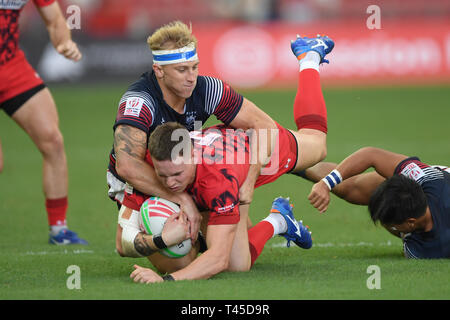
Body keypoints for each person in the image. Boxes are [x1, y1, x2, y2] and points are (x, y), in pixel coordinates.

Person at [130, 34, 335, 283]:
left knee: (316, 142)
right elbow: (123, 242)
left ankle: (309, 58)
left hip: (266, 150)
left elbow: (218, 260)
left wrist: (166, 280)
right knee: (236, 259)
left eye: (176, 175)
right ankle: (279, 220)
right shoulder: (162, 159)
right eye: (164, 176)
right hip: (227, 155)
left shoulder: (218, 179)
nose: (170, 183)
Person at [109, 21, 307, 258]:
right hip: (142, 181)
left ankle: (277, 221)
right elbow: (127, 166)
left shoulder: (207, 89)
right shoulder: (140, 102)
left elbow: (263, 125)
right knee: (174, 254)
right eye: (182, 70)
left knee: (232, 254)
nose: (191, 77)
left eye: (194, 67)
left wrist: (249, 180)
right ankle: (277, 221)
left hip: (194, 176)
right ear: (159, 70)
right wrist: (181, 199)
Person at [0, 0, 86, 244]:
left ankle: (59, 231)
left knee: (52, 141)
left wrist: (63, 42)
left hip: (10, 67)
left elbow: (55, 20)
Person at [306, 147, 450, 259]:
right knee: (350, 186)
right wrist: (326, 183)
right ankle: (295, 161)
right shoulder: (429, 178)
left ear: (411, 223)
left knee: (351, 189)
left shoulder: (420, 249)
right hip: (441, 181)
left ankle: (297, 163)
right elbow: (370, 155)